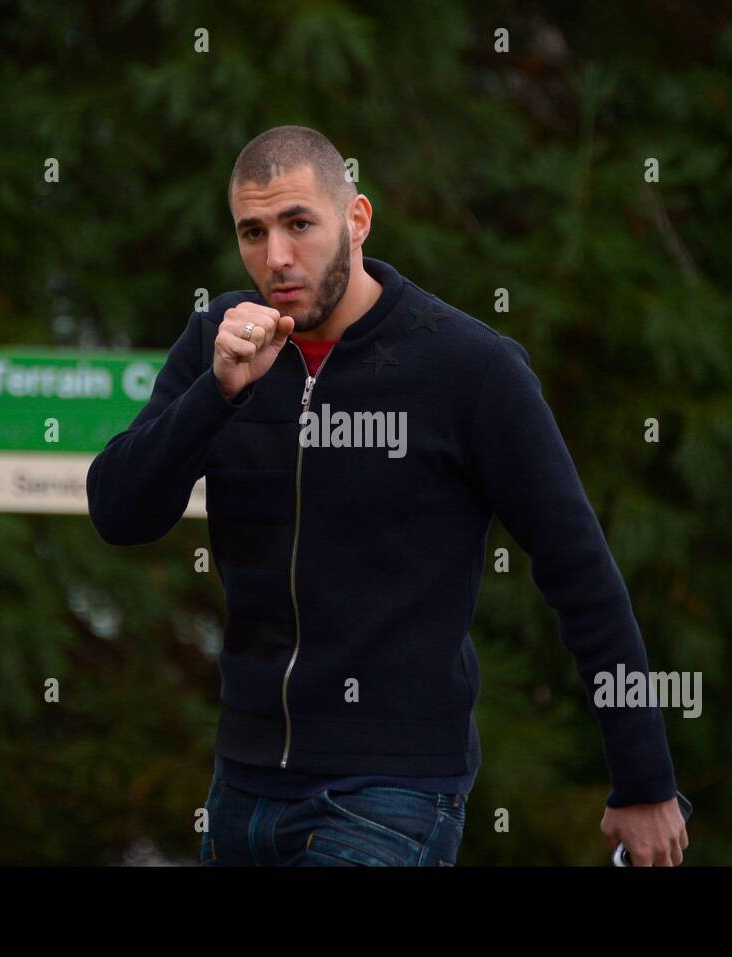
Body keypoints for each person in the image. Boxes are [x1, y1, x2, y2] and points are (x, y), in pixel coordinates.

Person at [87, 125, 689, 866]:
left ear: (357, 219)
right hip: (240, 791)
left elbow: (580, 570)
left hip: (391, 794)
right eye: (253, 231)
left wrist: (644, 779)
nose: (276, 256)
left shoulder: (469, 367)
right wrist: (217, 394)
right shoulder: (220, 344)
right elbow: (119, 512)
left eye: (299, 224)